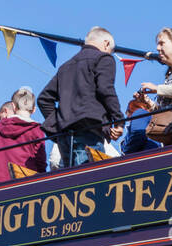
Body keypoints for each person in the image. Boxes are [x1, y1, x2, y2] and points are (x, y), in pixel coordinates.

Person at [37, 26, 124, 167]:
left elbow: (44, 99)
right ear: (106, 43)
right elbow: (105, 89)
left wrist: (58, 123)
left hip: (64, 137)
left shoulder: (65, 66)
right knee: (90, 182)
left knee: (72, 182)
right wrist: (119, 121)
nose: (110, 53)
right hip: (89, 130)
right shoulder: (104, 58)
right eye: (111, 50)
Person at [0, 87, 48, 182]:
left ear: (13, 106)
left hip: (0, 180)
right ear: (34, 109)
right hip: (27, 179)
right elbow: (40, 161)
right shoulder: (37, 129)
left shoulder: (0, 126)